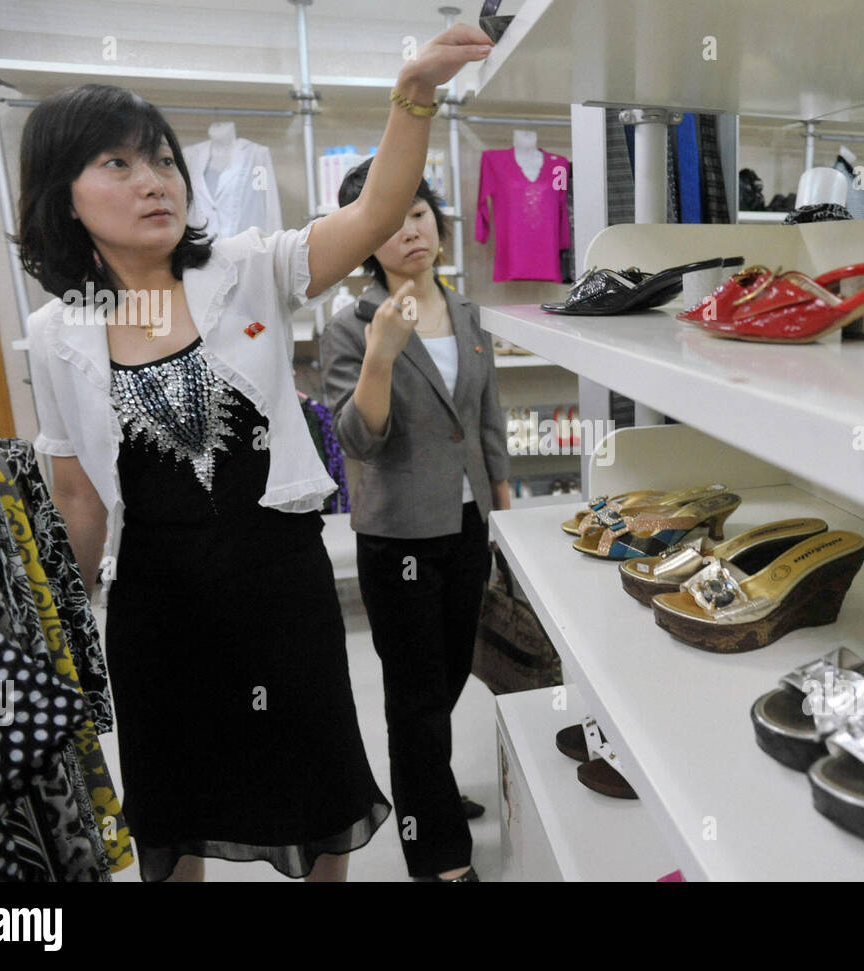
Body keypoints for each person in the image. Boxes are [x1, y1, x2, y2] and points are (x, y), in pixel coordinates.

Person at [16, 25, 495, 882]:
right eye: (117, 165)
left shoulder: (247, 268)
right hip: (158, 607)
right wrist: (65, 639)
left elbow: (376, 213)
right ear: (64, 194)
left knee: (317, 798)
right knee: (174, 807)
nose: (154, 179)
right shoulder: (53, 335)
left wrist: (415, 90)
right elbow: (79, 494)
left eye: (160, 158)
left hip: (278, 584)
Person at [321, 157, 511, 882]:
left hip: (466, 526)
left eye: (421, 212)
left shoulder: (467, 314)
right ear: (364, 237)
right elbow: (359, 439)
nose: (411, 230)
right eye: (390, 219)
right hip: (398, 534)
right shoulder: (351, 326)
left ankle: (427, 789)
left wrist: (501, 502)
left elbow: (487, 414)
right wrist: (379, 357)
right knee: (415, 697)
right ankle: (436, 854)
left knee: (451, 673)